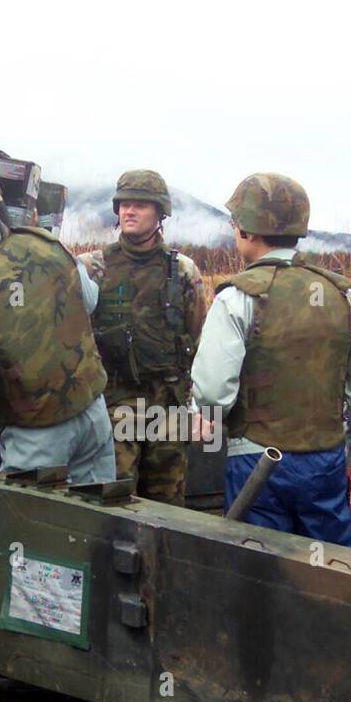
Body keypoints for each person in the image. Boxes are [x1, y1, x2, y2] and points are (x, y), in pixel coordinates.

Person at [191, 173, 351, 546]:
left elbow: (213, 390)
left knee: (259, 569)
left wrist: (206, 420)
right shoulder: (343, 297)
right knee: (329, 566)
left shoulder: (237, 297)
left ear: (245, 230)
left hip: (256, 459)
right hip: (324, 459)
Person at [0, 154, 115, 483]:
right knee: (102, 524)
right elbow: (89, 300)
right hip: (93, 412)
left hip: (37, 435)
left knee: (35, 531)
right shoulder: (47, 244)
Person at [77, 170, 205, 504]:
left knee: (169, 509)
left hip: (169, 408)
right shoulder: (93, 267)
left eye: (140, 205)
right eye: (124, 204)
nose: (128, 211)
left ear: (160, 213)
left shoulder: (184, 271)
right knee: (113, 505)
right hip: (114, 408)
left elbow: (198, 340)